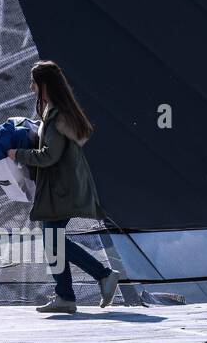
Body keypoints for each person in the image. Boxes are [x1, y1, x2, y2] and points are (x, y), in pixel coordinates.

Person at [8, 60, 122, 313]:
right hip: (64, 187)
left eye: (34, 83)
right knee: (53, 240)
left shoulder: (57, 116)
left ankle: (100, 276)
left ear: (45, 85)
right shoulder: (60, 112)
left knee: (53, 241)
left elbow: (49, 156)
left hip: (62, 189)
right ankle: (66, 296)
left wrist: (20, 154)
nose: (31, 88)